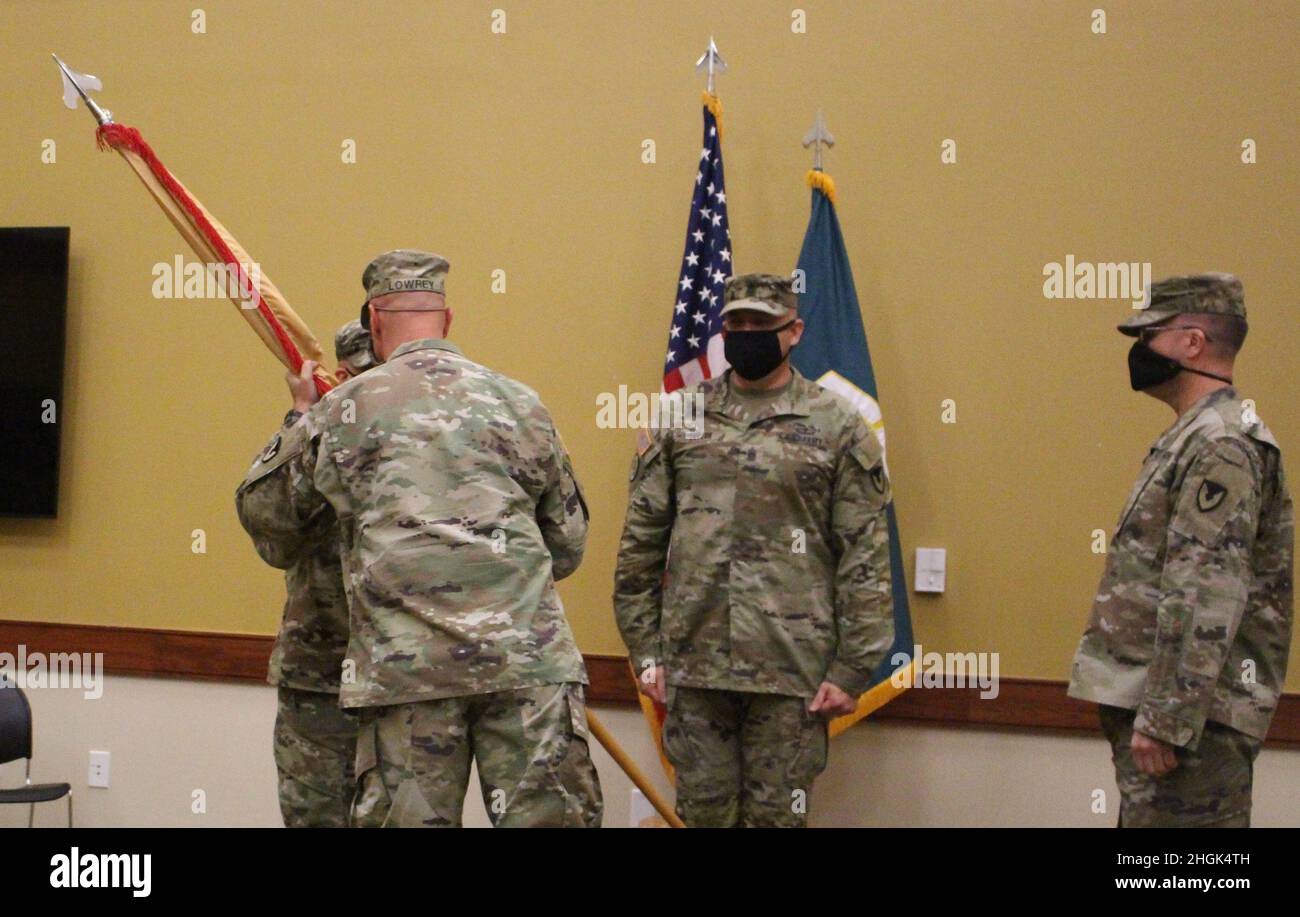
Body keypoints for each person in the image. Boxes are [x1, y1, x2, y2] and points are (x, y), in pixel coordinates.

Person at [238, 249, 601, 827]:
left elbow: (270, 520)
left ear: (374, 323)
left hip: (408, 674)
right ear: (447, 320)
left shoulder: (342, 410)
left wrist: (299, 419)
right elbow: (568, 544)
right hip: (526, 666)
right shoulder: (521, 403)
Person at [613, 272, 895, 827]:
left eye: (761, 324)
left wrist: (854, 667)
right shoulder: (680, 416)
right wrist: (646, 653)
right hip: (695, 670)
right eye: (736, 323)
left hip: (793, 673)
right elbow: (640, 549)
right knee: (703, 818)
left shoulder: (836, 425)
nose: (747, 334)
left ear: (794, 331)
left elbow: (865, 556)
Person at [1069, 272, 1293, 827]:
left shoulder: (1222, 444)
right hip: (1182, 720)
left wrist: (1167, 718)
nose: (1139, 351)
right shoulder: (1194, 436)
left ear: (1192, 342)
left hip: (1193, 730)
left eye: (1149, 335)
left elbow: (1204, 590)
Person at [236, 319, 377, 827]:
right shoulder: (316, 442)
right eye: (364, 379)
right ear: (339, 379)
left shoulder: (424, 440)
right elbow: (268, 524)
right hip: (323, 677)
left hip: (409, 677)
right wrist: (302, 418)